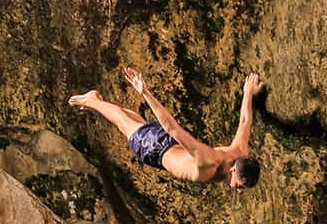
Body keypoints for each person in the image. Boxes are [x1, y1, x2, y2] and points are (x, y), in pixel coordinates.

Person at [69, 67, 263, 189]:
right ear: (233, 171)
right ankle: (92, 101)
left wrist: (248, 93)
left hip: (165, 146)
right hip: (156, 149)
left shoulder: (240, 152)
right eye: (239, 185)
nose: (236, 189)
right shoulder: (209, 162)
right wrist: (145, 93)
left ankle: (98, 101)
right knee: (122, 122)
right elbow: (173, 129)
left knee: (131, 120)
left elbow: (245, 122)